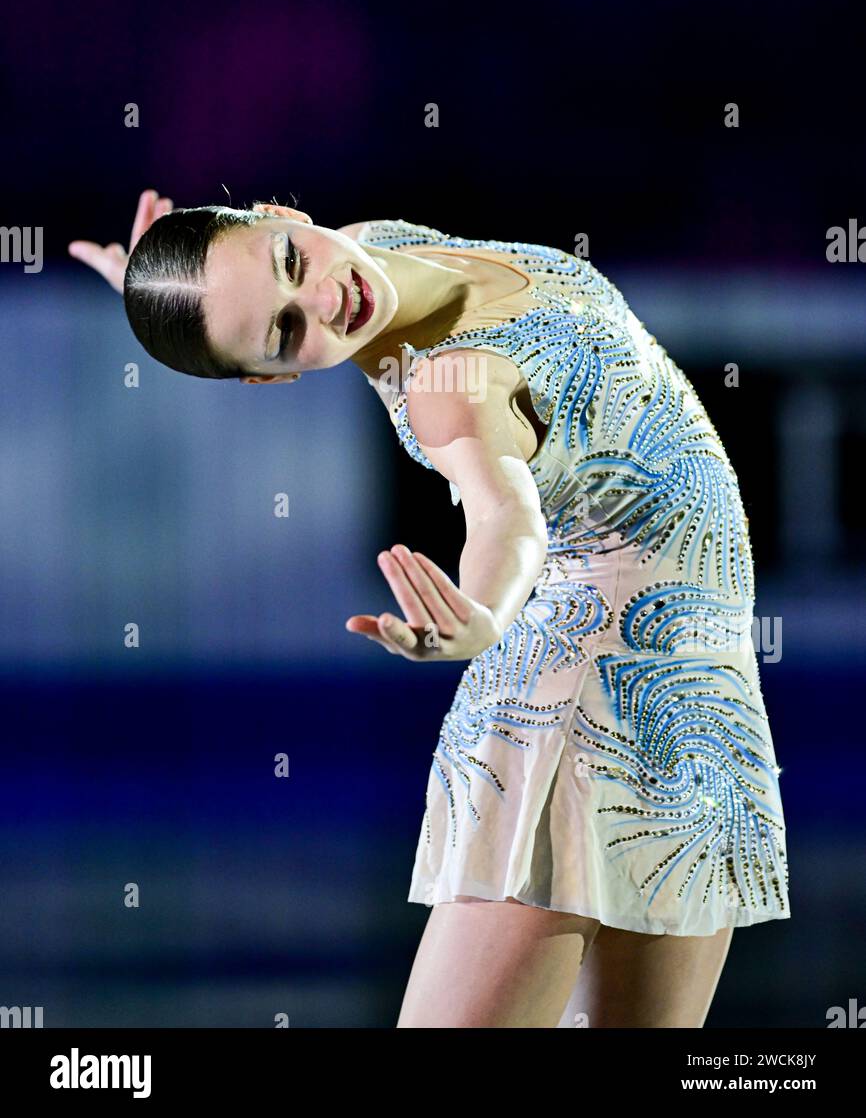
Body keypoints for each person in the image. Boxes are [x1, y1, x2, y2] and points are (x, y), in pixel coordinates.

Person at [69, 189, 790, 1028]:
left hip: (701, 685)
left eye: (290, 264)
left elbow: (249, 282)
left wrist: (148, 281)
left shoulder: (379, 241)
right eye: (282, 336)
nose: (324, 304)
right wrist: (482, 612)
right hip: (577, 706)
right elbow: (501, 514)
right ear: (277, 380)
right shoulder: (449, 389)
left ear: (283, 213)